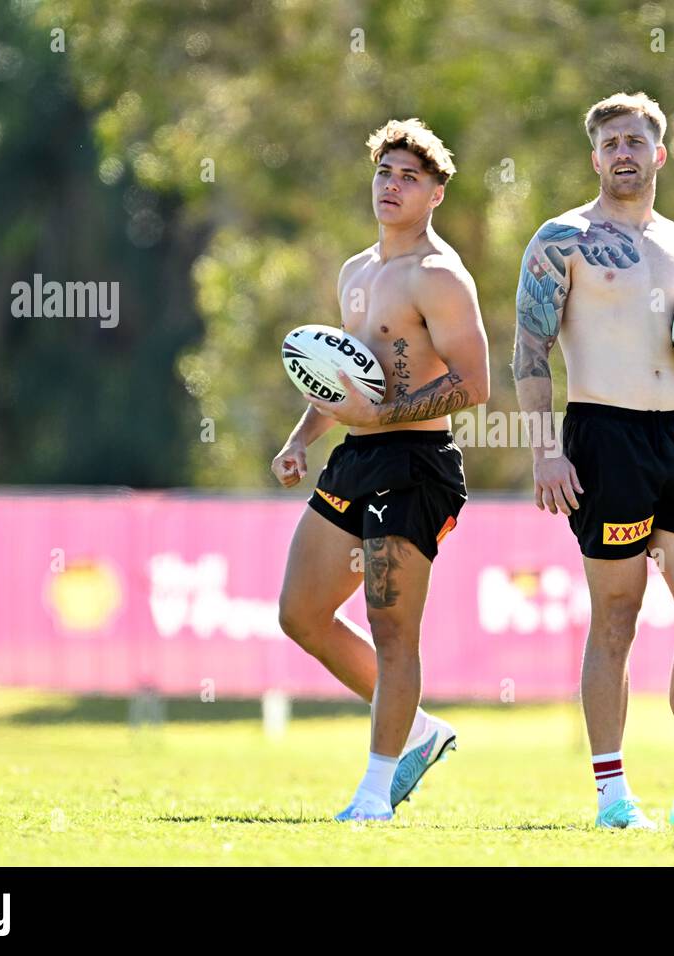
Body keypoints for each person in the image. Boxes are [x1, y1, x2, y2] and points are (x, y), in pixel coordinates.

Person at [512, 92, 674, 829]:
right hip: (603, 437)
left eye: (635, 140)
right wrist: (546, 450)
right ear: (594, 157)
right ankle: (612, 798)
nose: (622, 152)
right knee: (617, 618)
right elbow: (529, 350)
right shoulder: (561, 238)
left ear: (659, 154)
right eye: (609, 143)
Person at [273, 118, 489, 822]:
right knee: (300, 614)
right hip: (357, 457)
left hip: (419, 464)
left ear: (435, 196)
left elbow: (474, 384)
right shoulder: (356, 272)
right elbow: (346, 382)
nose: (392, 186)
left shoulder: (440, 276)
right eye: (384, 173)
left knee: (392, 629)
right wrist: (303, 436)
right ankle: (420, 729)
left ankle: (374, 792)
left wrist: (377, 420)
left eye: (409, 178)